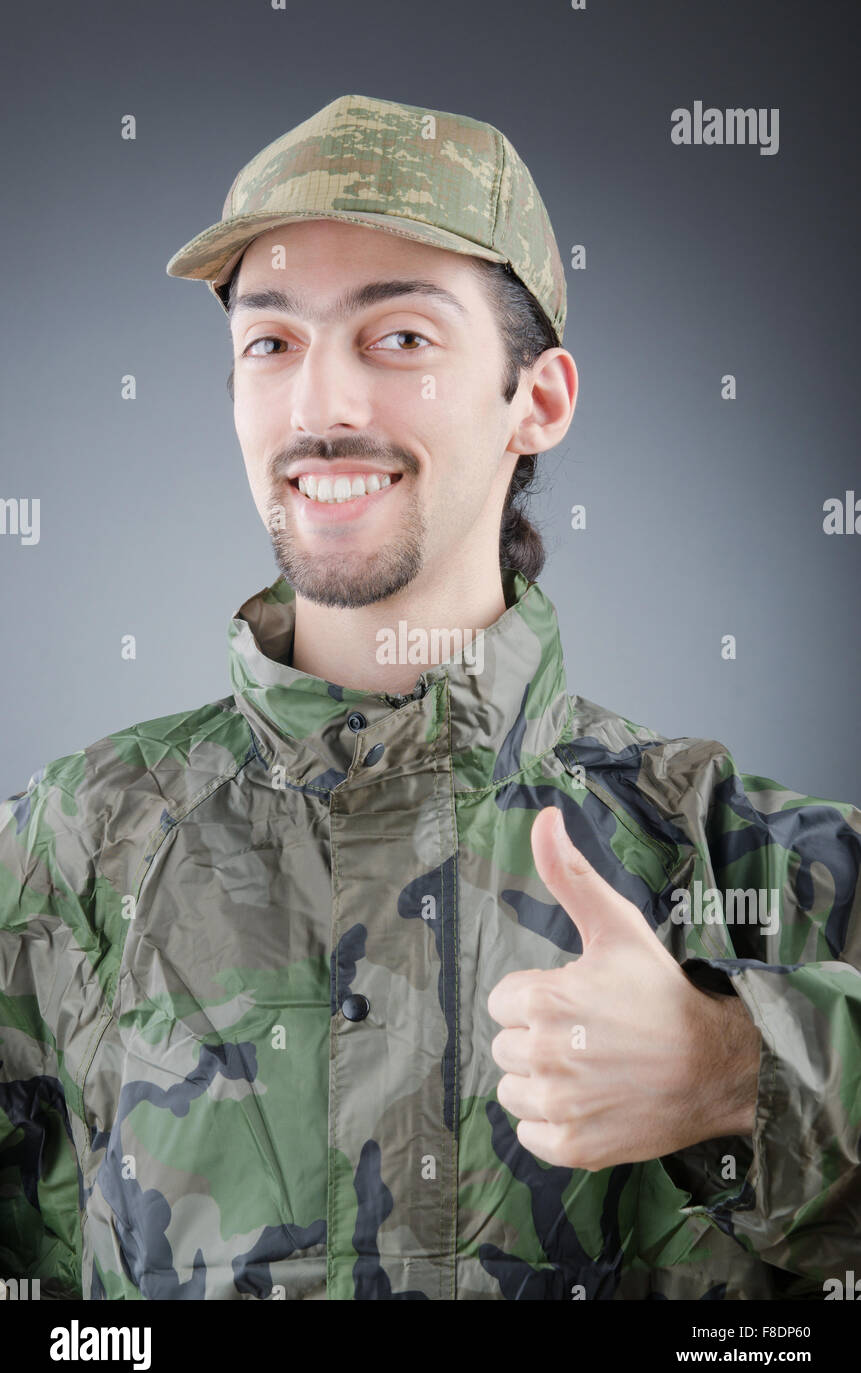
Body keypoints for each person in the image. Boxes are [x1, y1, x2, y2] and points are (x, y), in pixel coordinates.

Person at [1, 92, 858, 1302]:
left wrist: (738, 1070)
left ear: (538, 400)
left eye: (398, 337)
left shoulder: (754, 862)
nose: (320, 409)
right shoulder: (69, 851)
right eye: (271, 343)